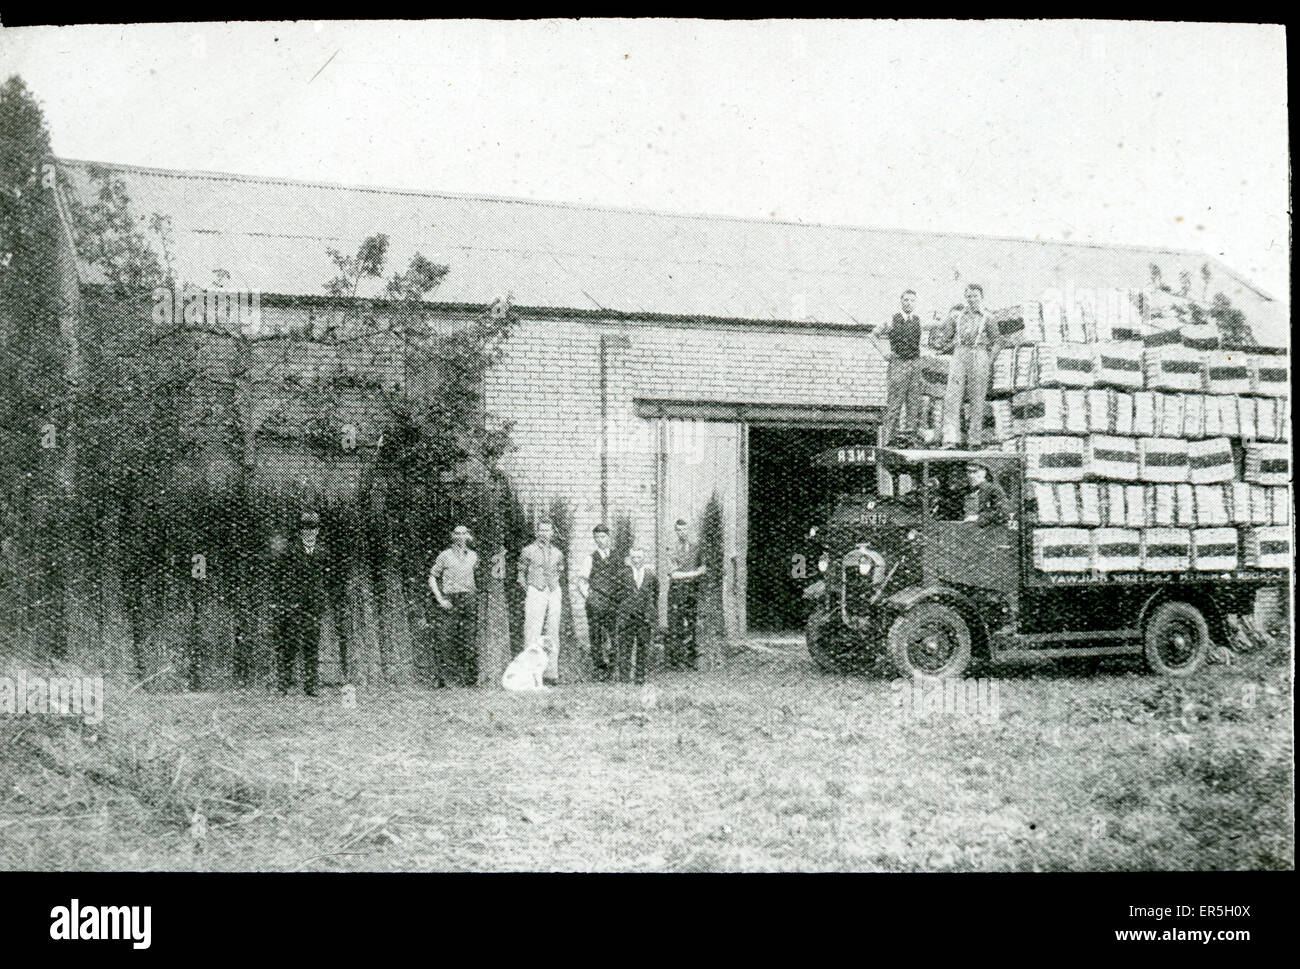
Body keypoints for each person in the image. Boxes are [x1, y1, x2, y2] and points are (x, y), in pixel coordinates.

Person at [935, 283, 1002, 448]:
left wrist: (989, 359)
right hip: (959, 353)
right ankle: (951, 438)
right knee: (952, 397)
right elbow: (943, 335)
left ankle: (974, 440)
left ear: (981, 297)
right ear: (965, 297)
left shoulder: (988, 317)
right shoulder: (957, 317)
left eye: (975, 296)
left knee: (977, 398)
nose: (972, 299)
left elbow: (997, 341)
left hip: (979, 354)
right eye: (969, 296)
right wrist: (943, 339)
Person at [277, 510, 330, 697]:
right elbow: (282, 577)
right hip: (294, 603)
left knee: (311, 643)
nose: (308, 532)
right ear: (300, 531)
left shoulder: (323, 552)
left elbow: (327, 579)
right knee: (290, 642)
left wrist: (321, 597)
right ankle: (284, 683)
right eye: (305, 528)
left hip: (314, 604)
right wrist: (289, 599)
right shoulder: (291, 550)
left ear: (317, 531)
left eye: (312, 528)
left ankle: (311, 685)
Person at [429, 524, 480, 687]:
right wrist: (440, 599)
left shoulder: (473, 556)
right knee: (445, 639)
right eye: (457, 533)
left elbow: (478, 577)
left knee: (469, 638)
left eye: (463, 533)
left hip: (469, 599)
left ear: (468, 536)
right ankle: (446, 680)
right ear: (452, 536)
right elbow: (432, 577)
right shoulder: (445, 555)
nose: (460, 537)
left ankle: (469, 680)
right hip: (450, 599)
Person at [518, 520, 564, 684]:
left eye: (548, 530)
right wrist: (530, 590)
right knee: (533, 630)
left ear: (552, 532)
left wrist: (554, 588)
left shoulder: (558, 552)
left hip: (553, 591)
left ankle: (551, 673)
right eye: (542, 530)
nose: (545, 533)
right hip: (535, 590)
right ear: (537, 532)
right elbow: (521, 574)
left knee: (553, 630)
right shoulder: (528, 550)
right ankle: (530, 674)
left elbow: (559, 571)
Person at [879, 289, 924, 446]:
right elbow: (873, 335)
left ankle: (910, 439)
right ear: (901, 301)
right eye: (906, 300)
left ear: (915, 302)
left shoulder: (918, 320)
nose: (909, 303)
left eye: (912, 300)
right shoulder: (892, 320)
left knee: (913, 402)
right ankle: (889, 440)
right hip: (898, 363)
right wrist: (885, 352)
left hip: (914, 364)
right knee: (895, 403)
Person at [577, 523, 618, 681]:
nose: (600, 540)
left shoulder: (617, 556)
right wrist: (590, 598)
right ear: (594, 539)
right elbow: (581, 581)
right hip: (596, 603)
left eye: (603, 536)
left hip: (613, 603)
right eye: (597, 537)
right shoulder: (590, 558)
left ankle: (614, 669)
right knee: (596, 636)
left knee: (615, 635)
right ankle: (599, 669)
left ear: (608, 537)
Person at [614, 547, 659, 684]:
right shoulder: (623, 574)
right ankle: (624, 678)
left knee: (643, 647)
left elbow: (655, 593)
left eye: (639, 557)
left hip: (644, 617)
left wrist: (649, 610)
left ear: (643, 558)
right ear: (630, 558)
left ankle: (640, 678)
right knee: (625, 647)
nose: (636, 560)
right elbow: (616, 594)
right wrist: (626, 606)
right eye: (634, 558)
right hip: (627, 617)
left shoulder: (651, 575)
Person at [666, 518, 706, 670]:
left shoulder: (697, 548)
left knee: (692, 625)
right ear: (675, 532)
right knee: (675, 626)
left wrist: (693, 574)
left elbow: (704, 569)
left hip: (692, 593)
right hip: (677, 592)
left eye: (684, 529)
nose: (682, 532)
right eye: (679, 530)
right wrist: (695, 573)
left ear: (689, 530)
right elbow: (673, 574)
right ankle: (676, 662)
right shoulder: (672, 549)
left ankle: (691, 659)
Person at [963, 462, 1011, 527]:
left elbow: (1003, 512)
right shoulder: (965, 491)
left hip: (987, 532)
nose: (971, 476)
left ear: (984, 473)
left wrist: (978, 518)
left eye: (975, 472)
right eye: (968, 472)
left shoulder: (994, 490)